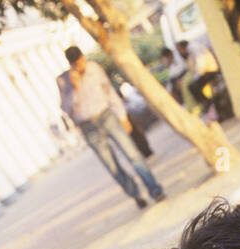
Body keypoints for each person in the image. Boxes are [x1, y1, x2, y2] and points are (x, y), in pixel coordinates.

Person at [57, 46, 166, 209]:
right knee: (112, 166)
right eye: (75, 64)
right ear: (70, 64)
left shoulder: (94, 68)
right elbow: (66, 108)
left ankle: (155, 190)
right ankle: (136, 195)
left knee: (133, 154)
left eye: (80, 62)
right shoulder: (63, 80)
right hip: (88, 127)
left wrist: (122, 116)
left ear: (83, 58)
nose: (80, 66)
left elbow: (109, 92)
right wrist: (75, 88)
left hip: (107, 116)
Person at [175, 39, 221, 107]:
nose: (180, 53)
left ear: (182, 47)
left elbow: (200, 63)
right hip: (206, 70)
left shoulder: (194, 48)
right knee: (193, 85)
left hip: (210, 70)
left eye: (179, 50)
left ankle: (207, 104)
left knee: (193, 86)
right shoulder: (191, 49)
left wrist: (196, 77)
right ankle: (207, 103)